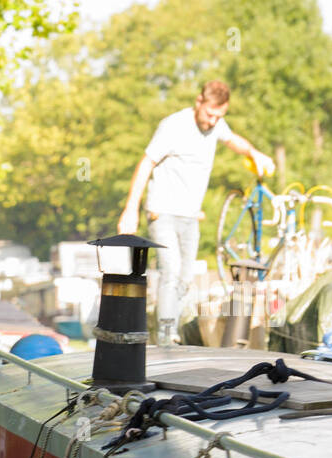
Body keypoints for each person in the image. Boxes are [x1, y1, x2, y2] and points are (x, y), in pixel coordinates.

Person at [117, 80, 276, 344]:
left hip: (190, 215)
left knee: (186, 278)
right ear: (198, 102)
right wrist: (130, 209)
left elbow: (233, 140)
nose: (213, 121)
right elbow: (146, 163)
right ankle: (168, 336)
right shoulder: (173, 126)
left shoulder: (216, 126)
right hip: (162, 211)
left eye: (219, 116)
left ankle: (166, 332)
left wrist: (254, 152)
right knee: (172, 270)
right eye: (209, 114)